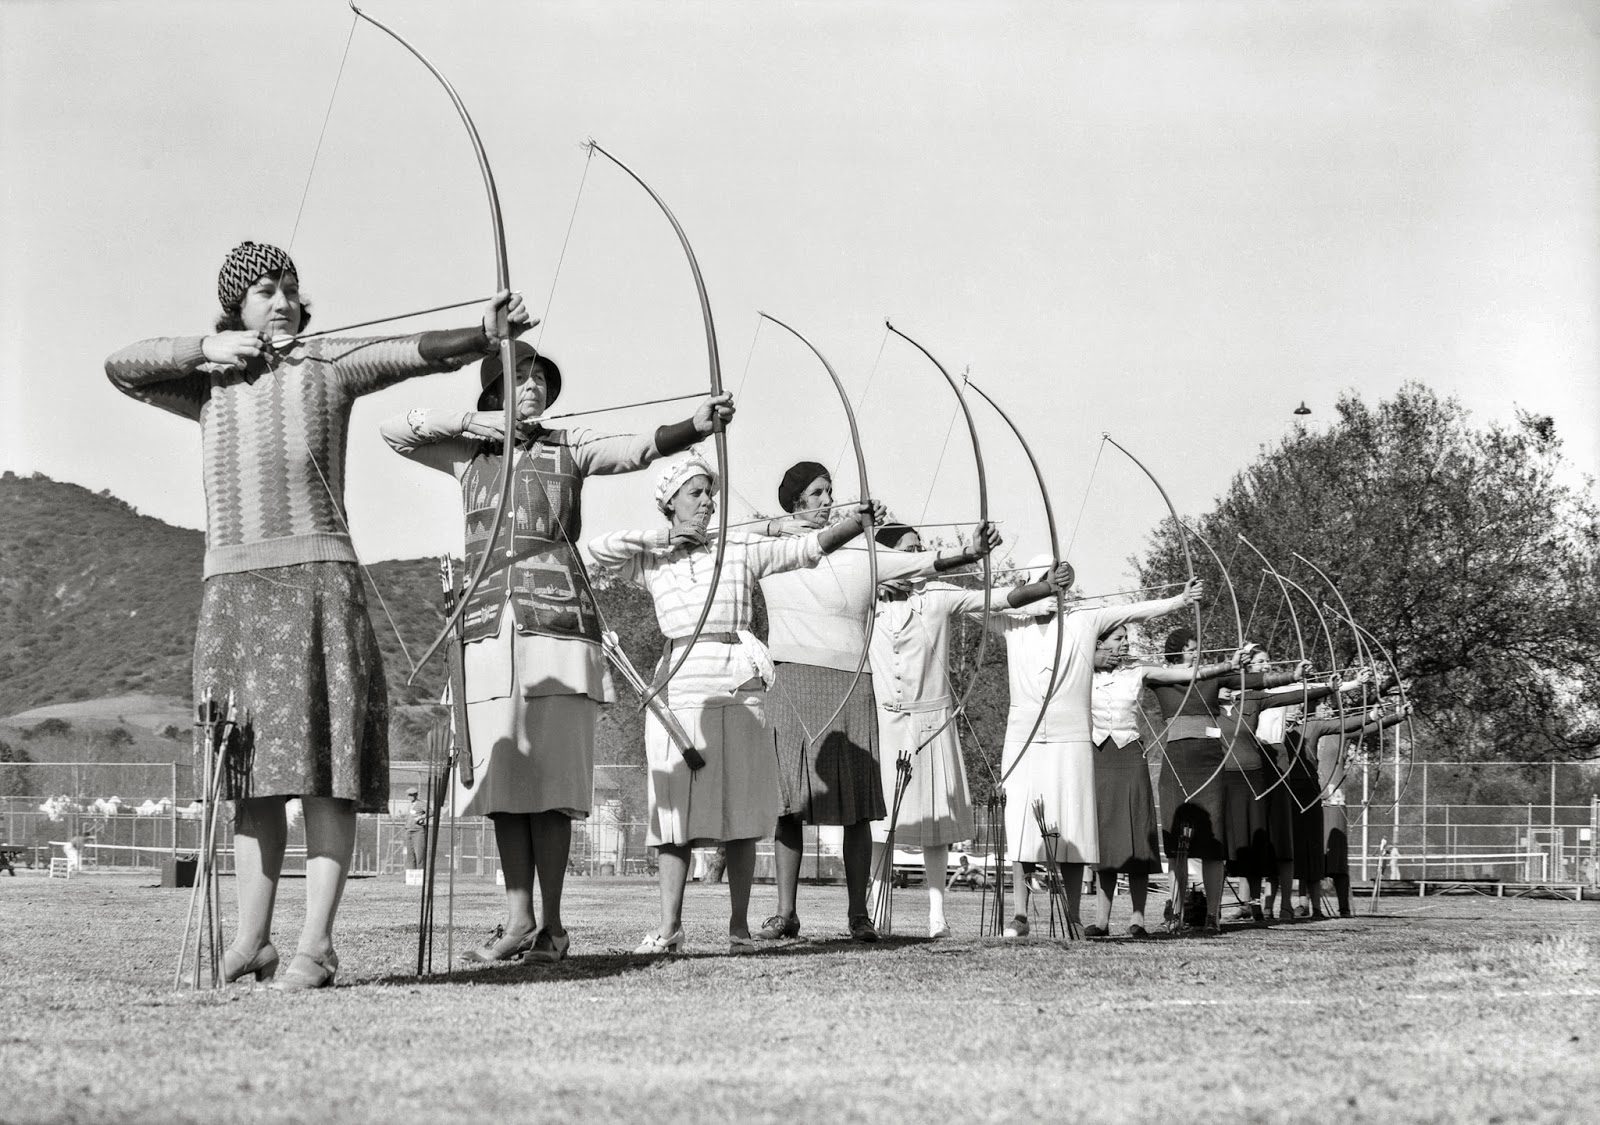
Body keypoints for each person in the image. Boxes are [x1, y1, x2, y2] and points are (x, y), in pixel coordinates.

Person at [106, 240, 531, 989]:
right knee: (250, 777)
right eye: (264, 291)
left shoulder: (327, 364)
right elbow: (122, 366)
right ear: (235, 307)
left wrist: (480, 333)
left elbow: (406, 352)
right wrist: (207, 349)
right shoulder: (208, 385)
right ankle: (253, 941)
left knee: (325, 773)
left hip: (317, 586)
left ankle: (317, 946)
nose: (282, 302)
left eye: (290, 289)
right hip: (234, 590)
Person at [381, 341, 734, 964]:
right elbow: (396, 432)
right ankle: (518, 920)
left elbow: (634, 448)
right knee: (503, 784)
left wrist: (693, 427)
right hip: (489, 632)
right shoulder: (469, 455)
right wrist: (476, 424)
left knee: (552, 786)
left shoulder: (570, 445)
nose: (534, 388)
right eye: (520, 379)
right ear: (495, 393)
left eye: (541, 379)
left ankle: (553, 925)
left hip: (560, 631)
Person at [589, 455, 881, 954]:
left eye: (710, 493)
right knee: (674, 817)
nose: (707, 502)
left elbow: (806, 548)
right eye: (696, 493)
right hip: (680, 685)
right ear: (671, 503)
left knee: (742, 815)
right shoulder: (654, 558)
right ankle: (669, 928)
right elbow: (598, 550)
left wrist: (855, 524)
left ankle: (739, 929)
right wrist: (667, 538)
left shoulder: (739, 546)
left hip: (740, 683)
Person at [757, 462, 996, 943]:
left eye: (830, 491)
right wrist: (774, 527)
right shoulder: (770, 551)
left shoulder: (862, 552)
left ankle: (858, 916)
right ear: (795, 501)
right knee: (788, 806)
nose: (827, 500)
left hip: (851, 683)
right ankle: (785, 914)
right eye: (816, 493)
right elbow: (724, 538)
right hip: (791, 680)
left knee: (858, 808)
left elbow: (922, 564)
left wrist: (971, 550)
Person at [865, 522, 1066, 936]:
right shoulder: (865, 601)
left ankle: (937, 915)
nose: (919, 555)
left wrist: (1048, 586)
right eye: (909, 550)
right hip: (886, 722)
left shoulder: (937, 595)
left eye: (920, 548)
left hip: (932, 721)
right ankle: (878, 913)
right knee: (880, 824)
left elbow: (1000, 598)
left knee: (936, 823)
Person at [992, 563, 1203, 937]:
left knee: (1076, 827)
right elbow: (979, 605)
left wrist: (1180, 600)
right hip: (1026, 737)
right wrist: (1023, 594)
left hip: (1074, 741)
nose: (1051, 591)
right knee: (1023, 824)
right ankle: (1020, 915)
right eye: (1043, 584)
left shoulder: (1081, 621)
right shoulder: (1013, 624)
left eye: (1056, 585)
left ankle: (1077, 916)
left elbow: (1133, 610)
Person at [1147, 631, 1304, 935]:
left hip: (1210, 762)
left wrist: (1291, 676)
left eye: (1198, 649)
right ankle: (1176, 913)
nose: (1197, 654)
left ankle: (1212, 915)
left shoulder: (1212, 676)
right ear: (1175, 652)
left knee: (1213, 845)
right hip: (1176, 762)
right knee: (1177, 846)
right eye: (1191, 649)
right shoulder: (1160, 679)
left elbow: (1255, 681)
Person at [404, 787, 428, 870]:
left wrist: (421, 817)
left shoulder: (421, 803)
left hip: (418, 831)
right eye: (409, 795)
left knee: (419, 854)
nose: (410, 797)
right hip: (408, 831)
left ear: (416, 795)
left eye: (412, 795)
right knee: (410, 855)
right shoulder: (410, 805)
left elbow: (431, 812)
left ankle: (420, 874)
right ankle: (411, 874)